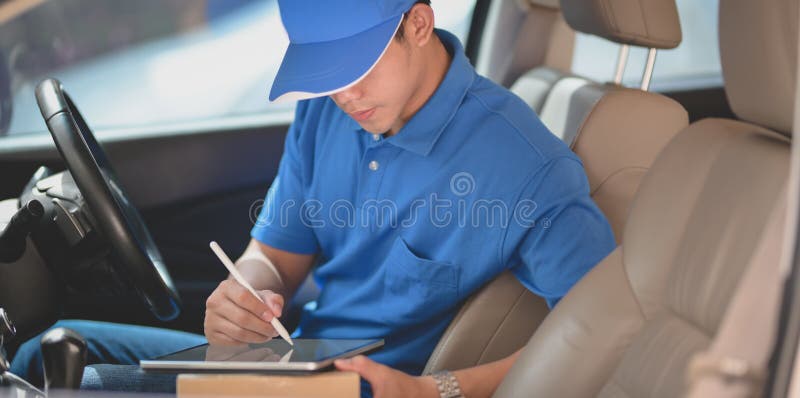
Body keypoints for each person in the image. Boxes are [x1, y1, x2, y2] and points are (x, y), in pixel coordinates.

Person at [11, 1, 616, 397]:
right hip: (292, 361)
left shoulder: (525, 166)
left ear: (418, 23)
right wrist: (245, 291)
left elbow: (607, 331)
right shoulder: (325, 109)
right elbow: (275, 253)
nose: (343, 94)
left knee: (82, 385)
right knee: (47, 352)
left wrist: (439, 390)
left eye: (356, 67)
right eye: (325, 72)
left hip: (367, 388)